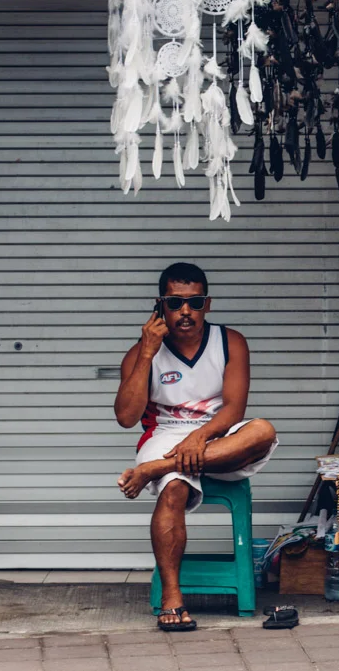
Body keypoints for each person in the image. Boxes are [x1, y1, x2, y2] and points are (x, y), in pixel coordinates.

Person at [114, 262, 277, 632]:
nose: (185, 311)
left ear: (208, 303)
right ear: (160, 306)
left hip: (218, 436)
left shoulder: (229, 341)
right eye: (175, 303)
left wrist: (198, 438)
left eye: (194, 302)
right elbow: (126, 417)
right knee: (173, 487)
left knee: (263, 430)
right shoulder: (141, 352)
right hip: (165, 436)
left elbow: (235, 408)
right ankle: (172, 598)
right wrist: (147, 352)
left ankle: (154, 470)